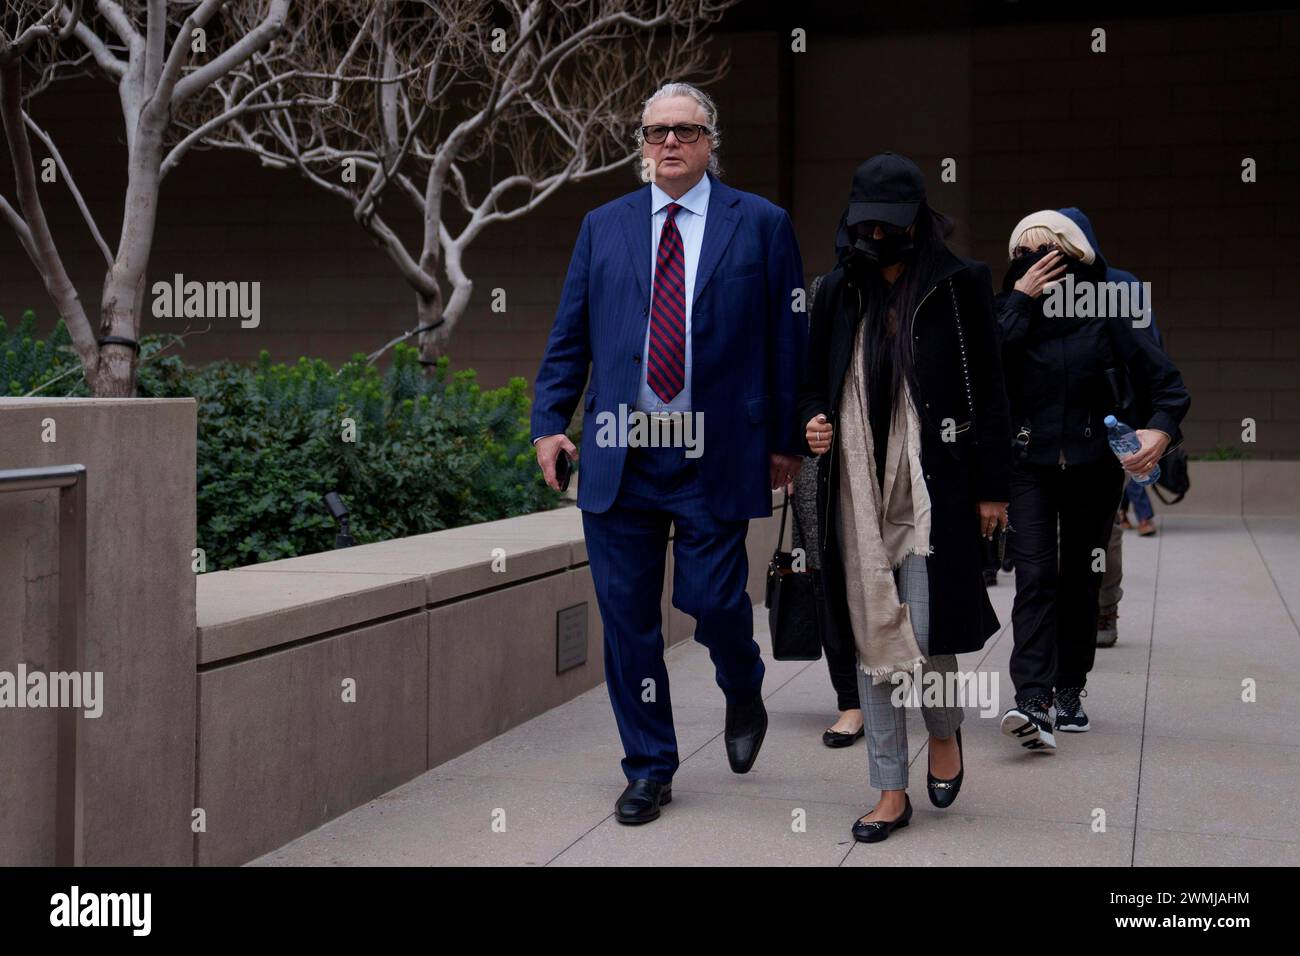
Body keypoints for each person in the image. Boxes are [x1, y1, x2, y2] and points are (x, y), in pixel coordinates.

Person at [531, 82, 807, 825]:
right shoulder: (603, 225)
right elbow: (570, 335)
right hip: (623, 453)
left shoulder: (762, 224)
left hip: (713, 451)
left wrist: (786, 439)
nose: (670, 144)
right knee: (627, 621)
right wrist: (549, 422)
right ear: (642, 143)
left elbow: (788, 340)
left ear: (710, 140)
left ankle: (741, 680)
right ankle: (650, 765)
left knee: (715, 602)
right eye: (657, 133)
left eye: (685, 132)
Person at [798, 153, 1012, 842]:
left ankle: (944, 733)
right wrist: (812, 419)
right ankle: (889, 790)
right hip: (854, 492)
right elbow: (809, 381)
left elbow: (991, 389)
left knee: (926, 632)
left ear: (918, 220)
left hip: (932, 491)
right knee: (874, 641)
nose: (878, 239)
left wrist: (992, 488)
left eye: (891, 227)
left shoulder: (960, 285)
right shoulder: (836, 290)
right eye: (868, 226)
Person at [996, 210, 1189, 749]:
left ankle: (1068, 688)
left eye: (1047, 252)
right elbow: (983, 374)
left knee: (1081, 577)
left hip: (1092, 464)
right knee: (1033, 577)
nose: (1035, 266)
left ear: (1075, 254)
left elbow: (1167, 385)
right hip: (1028, 464)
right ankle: (1031, 700)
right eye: (1022, 256)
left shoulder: (1108, 308)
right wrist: (1019, 302)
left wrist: (1159, 433)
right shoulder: (1008, 311)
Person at [1056, 208, 1162, 648]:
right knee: (1094, 526)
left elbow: (1149, 355)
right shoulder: (1043, 284)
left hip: (1107, 424)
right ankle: (1093, 610)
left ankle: (1102, 609)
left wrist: (1148, 424)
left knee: (1104, 525)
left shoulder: (1119, 285)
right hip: (1061, 427)